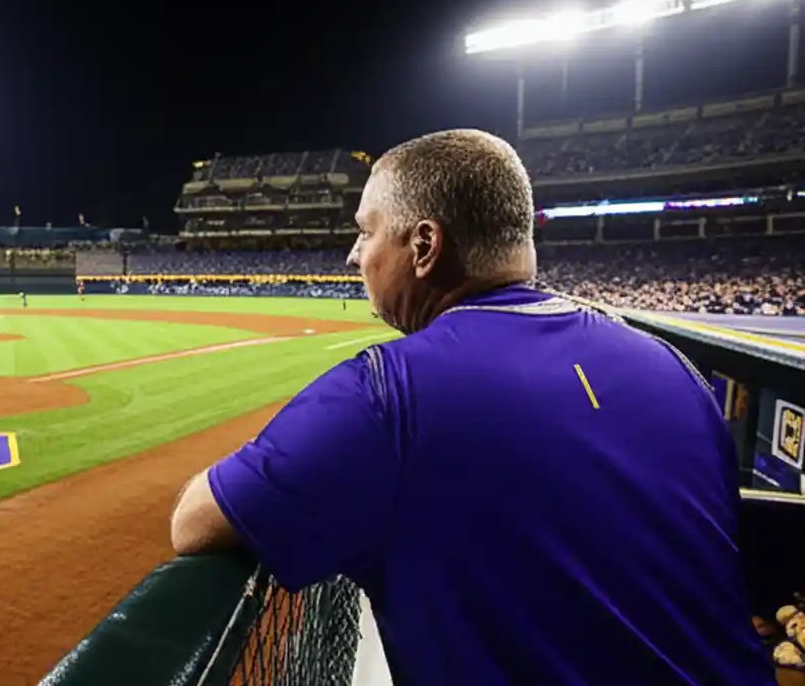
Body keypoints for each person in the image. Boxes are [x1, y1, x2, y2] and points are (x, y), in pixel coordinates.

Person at [170, 129, 772, 684]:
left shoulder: (384, 390)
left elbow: (194, 523)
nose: (355, 256)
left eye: (365, 231)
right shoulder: (676, 370)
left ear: (424, 245)